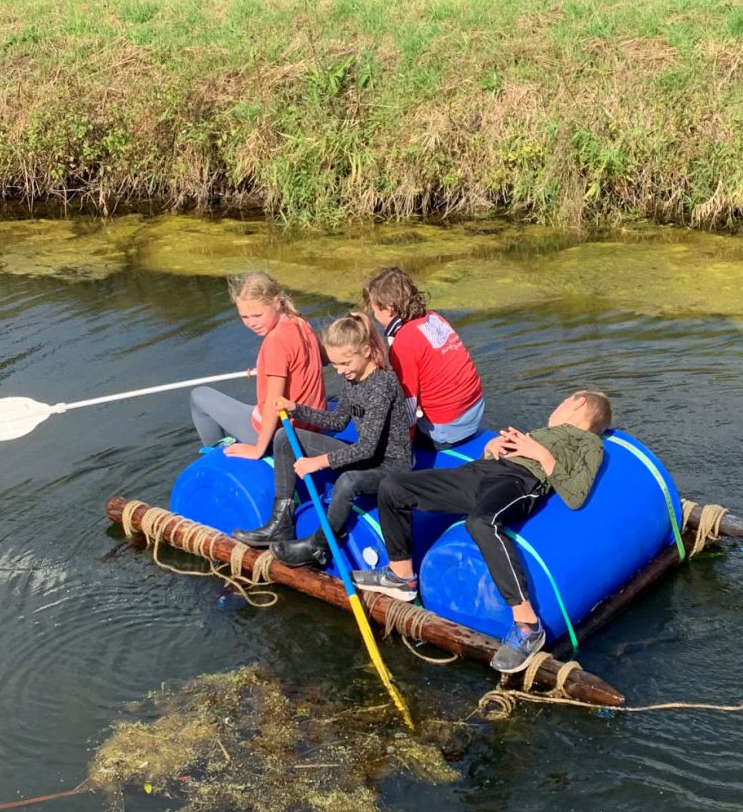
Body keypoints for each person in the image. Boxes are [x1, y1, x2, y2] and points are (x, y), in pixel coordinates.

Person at [354, 390, 612, 673]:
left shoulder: (589, 442)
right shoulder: (543, 431)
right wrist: (491, 450)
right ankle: (401, 576)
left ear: (579, 402)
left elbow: (577, 495)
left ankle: (527, 626)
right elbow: (492, 460)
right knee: (394, 487)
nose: (558, 404)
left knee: (481, 522)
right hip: (480, 473)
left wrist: (540, 454)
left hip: (518, 482)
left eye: (564, 400)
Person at [231, 314, 415, 564]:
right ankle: (281, 522)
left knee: (348, 481)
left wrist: (318, 462)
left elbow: (367, 448)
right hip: (367, 458)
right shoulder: (354, 380)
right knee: (285, 436)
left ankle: (320, 545)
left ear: (367, 351)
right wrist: (296, 408)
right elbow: (337, 421)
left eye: (345, 363)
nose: (340, 371)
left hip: (392, 467)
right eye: (335, 364)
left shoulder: (382, 385)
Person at [189, 271, 325, 460]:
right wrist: (267, 369)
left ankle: (216, 457)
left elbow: (273, 402)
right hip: (313, 424)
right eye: (244, 317)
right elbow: (321, 359)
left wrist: (258, 449)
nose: (252, 323)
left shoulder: (275, 342)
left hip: (283, 433)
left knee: (199, 396)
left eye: (257, 315)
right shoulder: (299, 322)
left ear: (277, 302)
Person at [361, 267, 484, 448]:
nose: (375, 316)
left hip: (447, 426)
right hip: (475, 408)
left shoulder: (403, 342)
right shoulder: (434, 318)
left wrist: (404, 443)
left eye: (375, 311)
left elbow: (409, 401)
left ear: (388, 309)